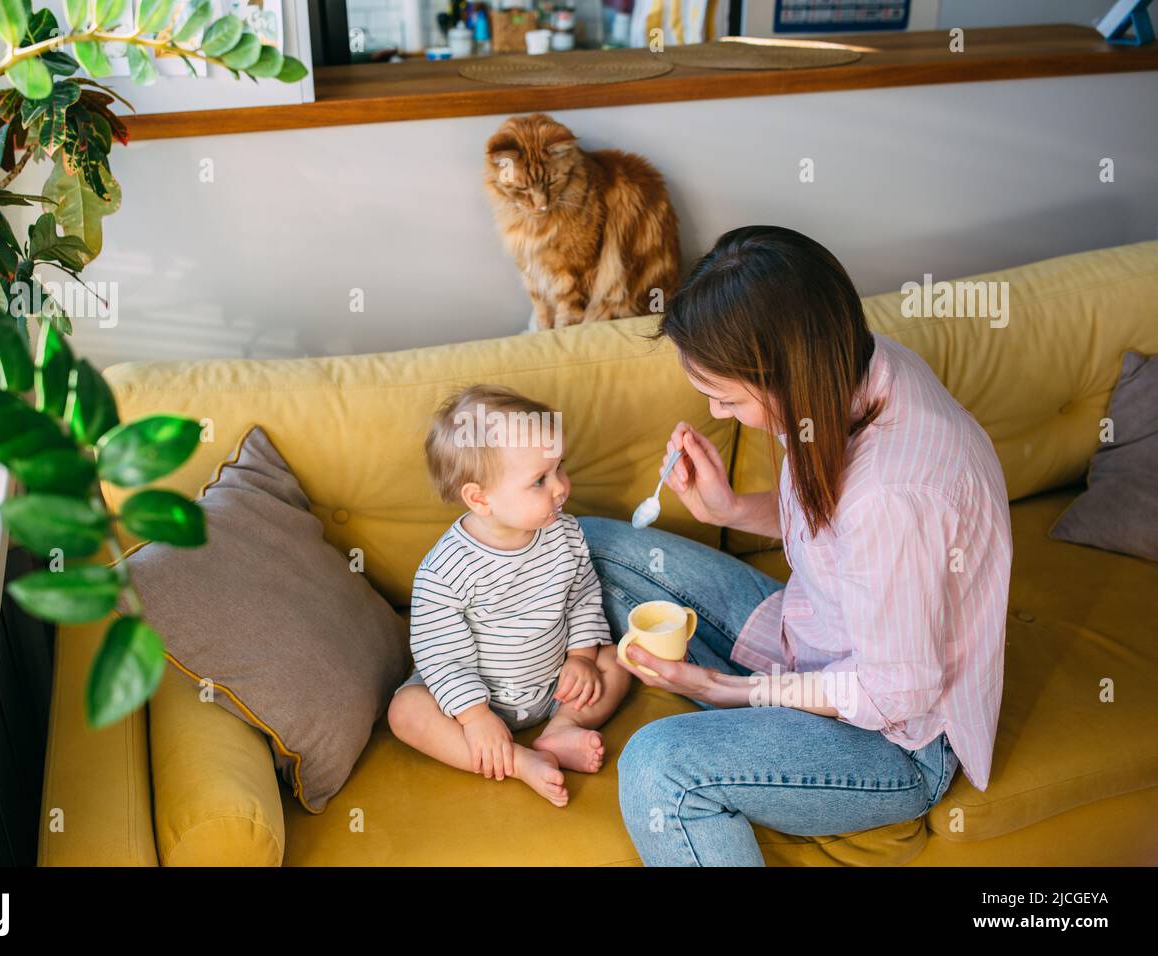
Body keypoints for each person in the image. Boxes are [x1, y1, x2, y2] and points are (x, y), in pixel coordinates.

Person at [580, 224, 1012, 865]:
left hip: (891, 737)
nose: (719, 415)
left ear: (784, 374)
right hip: (811, 636)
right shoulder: (856, 369)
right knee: (581, 543)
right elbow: (840, 536)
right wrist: (727, 508)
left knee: (660, 767)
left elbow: (897, 692)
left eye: (724, 398)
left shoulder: (891, 496)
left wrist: (735, 692)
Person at [388, 384, 632, 807]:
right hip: (475, 702)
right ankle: (517, 761)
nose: (559, 488)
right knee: (406, 712)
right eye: (539, 480)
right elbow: (440, 655)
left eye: (559, 468)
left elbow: (583, 598)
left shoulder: (564, 534)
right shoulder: (444, 571)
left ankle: (561, 731)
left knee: (622, 657)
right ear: (480, 498)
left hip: (555, 686)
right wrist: (476, 717)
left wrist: (581, 658)